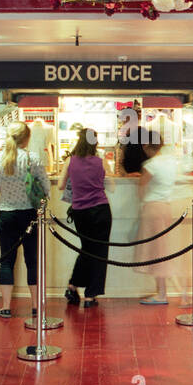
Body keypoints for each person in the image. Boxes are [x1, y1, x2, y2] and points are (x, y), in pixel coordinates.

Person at [0, 121, 50, 318]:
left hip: (7, 214)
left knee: (6, 261)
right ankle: (36, 306)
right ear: (27, 138)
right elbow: (46, 187)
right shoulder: (32, 158)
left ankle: (5, 306)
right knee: (32, 260)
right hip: (29, 214)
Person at [60, 127, 112, 308]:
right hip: (101, 209)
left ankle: (73, 286)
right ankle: (90, 296)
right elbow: (111, 183)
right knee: (100, 252)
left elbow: (60, 185)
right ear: (95, 143)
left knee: (87, 249)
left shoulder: (69, 161)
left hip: (80, 211)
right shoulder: (101, 161)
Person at [137, 132, 184, 305]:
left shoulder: (151, 164)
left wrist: (141, 206)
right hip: (166, 208)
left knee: (157, 253)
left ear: (146, 146)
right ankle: (170, 292)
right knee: (161, 251)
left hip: (153, 209)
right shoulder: (171, 162)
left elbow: (141, 188)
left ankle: (163, 294)